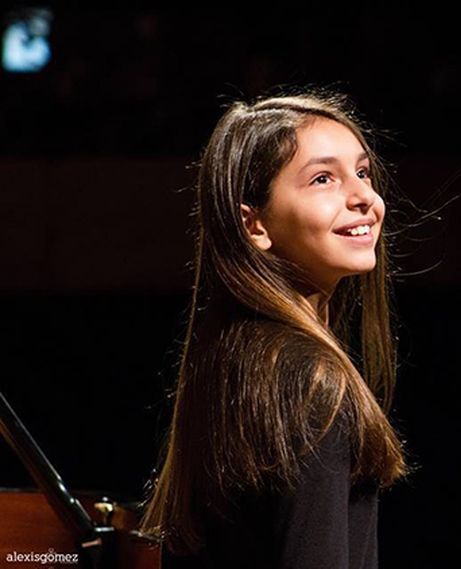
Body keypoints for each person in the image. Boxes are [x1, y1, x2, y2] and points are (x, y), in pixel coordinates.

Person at [137, 87, 414, 569]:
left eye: (363, 172)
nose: (365, 198)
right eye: (324, 179)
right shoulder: (308, 379)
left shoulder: (236, 359)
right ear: (254, 225)